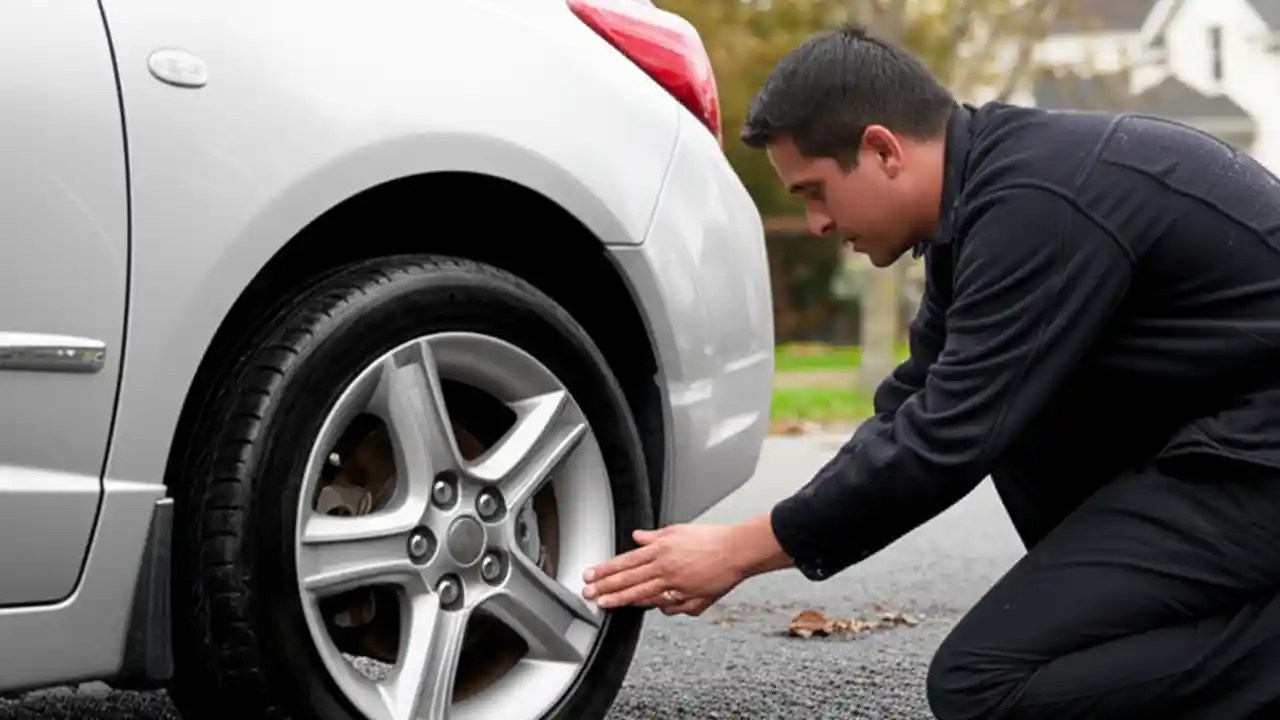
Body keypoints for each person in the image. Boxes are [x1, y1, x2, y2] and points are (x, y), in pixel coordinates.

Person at [579, 22, 1280, 720]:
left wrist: (741, 549)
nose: (817, 224)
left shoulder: (1037, 208)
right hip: (1223, 444)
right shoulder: (984, 203)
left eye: (815, 192)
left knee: (982, 685)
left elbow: (946, 439)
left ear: (882, 149)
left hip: (1253, 452)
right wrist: (764, 532)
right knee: (1021, 419)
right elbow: (911, 407)